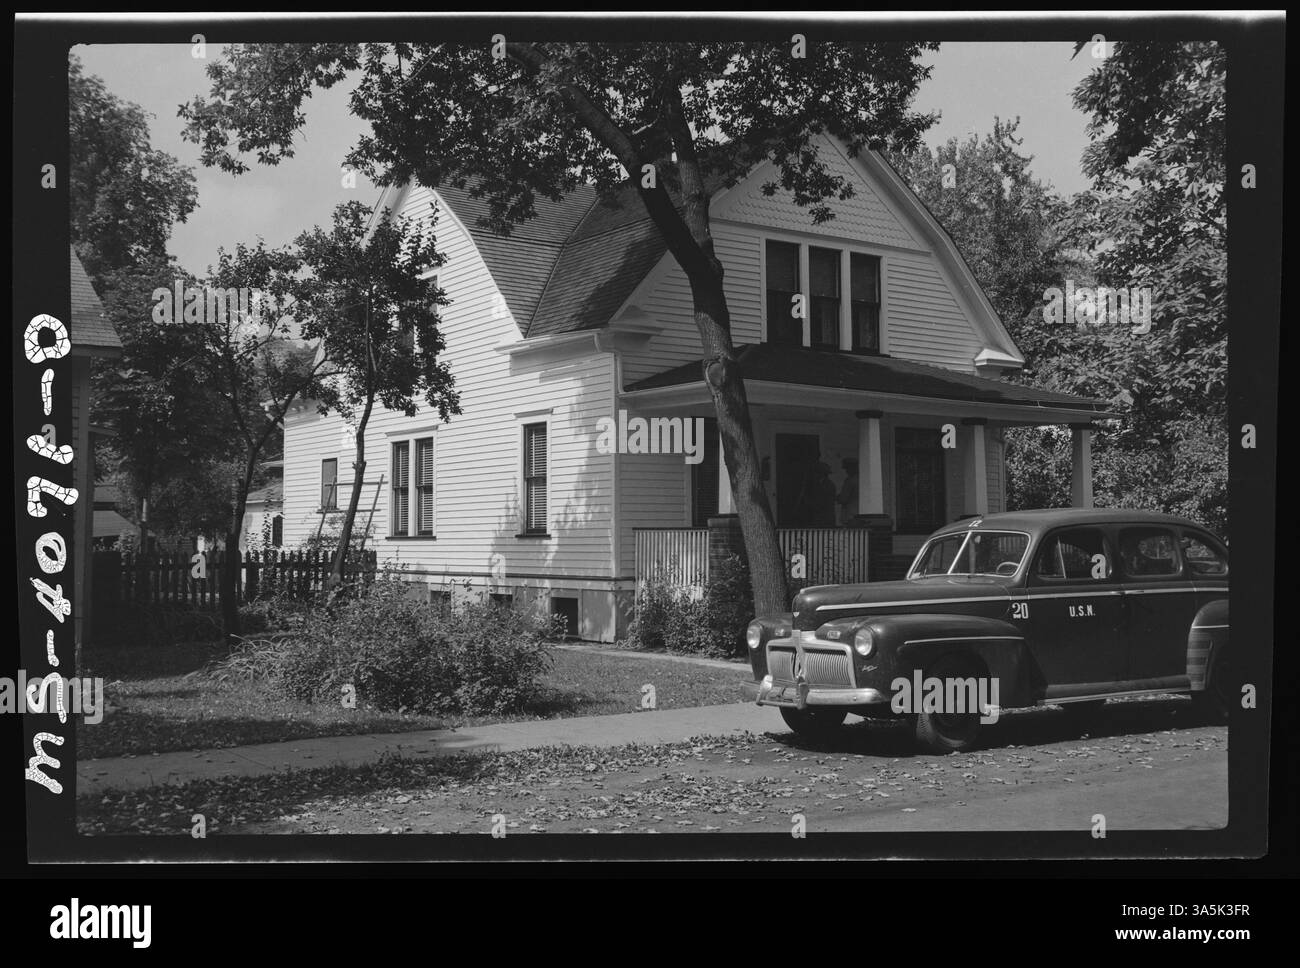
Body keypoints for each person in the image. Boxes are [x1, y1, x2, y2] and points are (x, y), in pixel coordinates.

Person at [836, 458, 859, 525]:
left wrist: (837, 497)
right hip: (860, 513)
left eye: (847, 469)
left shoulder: (850, 481)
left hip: (850, 515)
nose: (846, 471)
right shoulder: (861, 479)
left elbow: (843, 499)